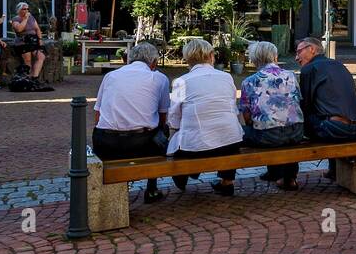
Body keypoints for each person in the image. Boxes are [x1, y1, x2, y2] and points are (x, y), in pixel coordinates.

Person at [92, 41, 171, 203]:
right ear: (154, 62)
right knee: (163, 130)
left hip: (105, 142)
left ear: (129, 58)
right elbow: (163, 116)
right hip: (140, 144)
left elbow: (98, 113)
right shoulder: (159, 78)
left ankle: (113, 187)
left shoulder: (110, 76)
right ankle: (152, 188)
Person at [167, 38, 243, 197]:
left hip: (196, 147)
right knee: (225, 129)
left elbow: (174, 117)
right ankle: (227, 181)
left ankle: (184, 174)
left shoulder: (181, 81)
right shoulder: (226, 77)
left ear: (187, 59)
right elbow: (231, 106)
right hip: (231, 142)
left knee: (179, 142)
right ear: (211, 55)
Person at [296, 36, 356, 179]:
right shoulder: (338, 64)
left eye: (299, 52)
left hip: (335, 129)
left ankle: (287, 176)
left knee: (297, 122)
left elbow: (306, 105)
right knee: (325, 113)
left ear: (312, 49)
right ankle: (333, 169)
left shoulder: (309, 69)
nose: (296, 57)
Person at [238, 41, 305, 191]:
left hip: (268, 137)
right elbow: (298, 101)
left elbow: (247, 115)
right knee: (282, 131)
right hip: (297, 132)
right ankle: (289, 177)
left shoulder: (249, 82)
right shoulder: (290, 76)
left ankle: (276, 172)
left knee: (249, 130)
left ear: (254, 59)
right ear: (275, 56)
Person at [9, 2, 46, 85]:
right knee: (28, 60)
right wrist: (25, 19)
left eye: (27, 9)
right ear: (19, 10)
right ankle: (28, 80)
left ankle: (34, 77)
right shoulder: (16, 19)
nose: (26, 10)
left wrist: (40, 39)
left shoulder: (31, 17)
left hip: (33, 41)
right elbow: (19, 29)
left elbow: (37, 29)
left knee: (41, 57)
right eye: (24, 9)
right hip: (22, 42)